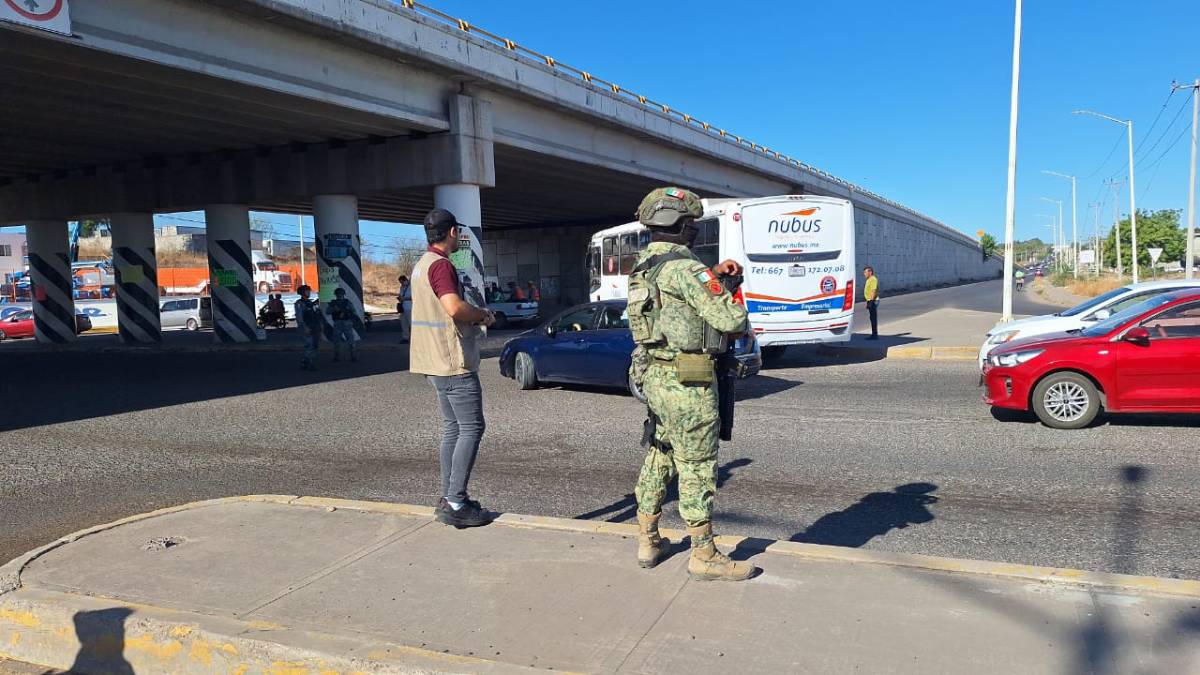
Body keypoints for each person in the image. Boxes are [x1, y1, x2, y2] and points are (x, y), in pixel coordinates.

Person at [627, 187, 756, 582]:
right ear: (680, 225)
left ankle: (648, 538)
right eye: (692, 223)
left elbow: (673, 310)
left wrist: (713, 277)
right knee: (698, 465)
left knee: (661, 452)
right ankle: (703, 554)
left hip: (655, 375)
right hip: (690, 381)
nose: (696, 230)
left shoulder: (644, 266)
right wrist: (728, 287)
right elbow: (732, 320)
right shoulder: (687, 268)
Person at [410, 208, 496, 529]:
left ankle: (448, 496)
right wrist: (482, 315)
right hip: (451, 362)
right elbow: (454, 307)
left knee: (452, 429)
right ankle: (456, 501)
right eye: (458, 233)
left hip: (432, 361)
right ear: (453, 233)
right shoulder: (442, 266)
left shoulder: (421, 265)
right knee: (472, 428)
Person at [326, 287, 358, 362]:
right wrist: (334, 309)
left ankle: (352, 356)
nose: (339, 295)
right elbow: (327, 312)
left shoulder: (347, 302)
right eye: (338, 294)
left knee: (350, 340)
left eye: (340, 294)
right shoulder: (333, 303)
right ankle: (338, 357)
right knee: (337, 341)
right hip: (338, 322)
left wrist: (346, 312)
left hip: (346, 322)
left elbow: (353, 312)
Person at [294, 285, 321, 371]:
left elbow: (316, 314)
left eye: (309, 291)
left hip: (314, 326)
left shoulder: (310, 302)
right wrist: (305, 328)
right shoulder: (299, 303)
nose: (309, 293)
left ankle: (305, 362)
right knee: (310, 346)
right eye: (307, 291)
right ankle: (310, 363)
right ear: (302, 293)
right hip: (306, 327)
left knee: (315, 346)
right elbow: (299, 317)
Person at [863, 266, 880, 340]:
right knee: (872, 317)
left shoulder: (873, 279)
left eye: (865, 272)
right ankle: (874, 334)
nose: (864, 274)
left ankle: (874, 335)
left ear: (870, 272)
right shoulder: (869, 279)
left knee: (873, 318)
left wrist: (871, 302)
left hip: (873, 300)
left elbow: (873, 290)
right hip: (870, 300)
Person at [396, 275, 412, 344]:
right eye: (400, 283)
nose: (401, 284)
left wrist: (405, 299)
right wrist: (400, 297)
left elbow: (414, 297)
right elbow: (400, 295)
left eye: (402, 282)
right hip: (403, 308)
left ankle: (413, 339)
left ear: (405, 280)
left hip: (410, 308)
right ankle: (405, 338)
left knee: (411, 324)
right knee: (404, 324)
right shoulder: (402, 287)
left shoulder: (411, 286)